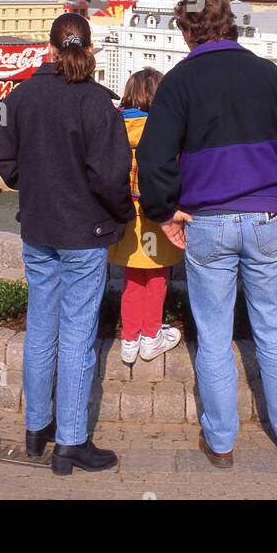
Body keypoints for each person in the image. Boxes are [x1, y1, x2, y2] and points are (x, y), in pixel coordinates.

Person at [138, 0, 277, 468]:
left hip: (207, 223)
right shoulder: (273, 77)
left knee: (214, 336)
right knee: (273, 328)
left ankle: (220, 441)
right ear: (229, 23)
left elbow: (153, 158)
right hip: (262, 218)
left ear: (187, 30)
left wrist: (164, 210)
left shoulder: (177, 82)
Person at [0, 14, 132, 476]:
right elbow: (111, 176)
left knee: (41, 330)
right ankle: (71, 443)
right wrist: (122, 216)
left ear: (48, 49)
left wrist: (30, 185)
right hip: (84, 235)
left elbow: (1, 156)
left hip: (38, 228)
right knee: (76, 337)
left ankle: (36, 432)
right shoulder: (97, 103)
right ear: (89, 49)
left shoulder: (21, 95)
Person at [108, 68, 183, 365]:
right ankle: (151, 335)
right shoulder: (166, 130)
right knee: (155, 277)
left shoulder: (113, 127)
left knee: (131, 278)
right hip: (155, 220)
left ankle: (129, 338)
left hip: (125, 216)